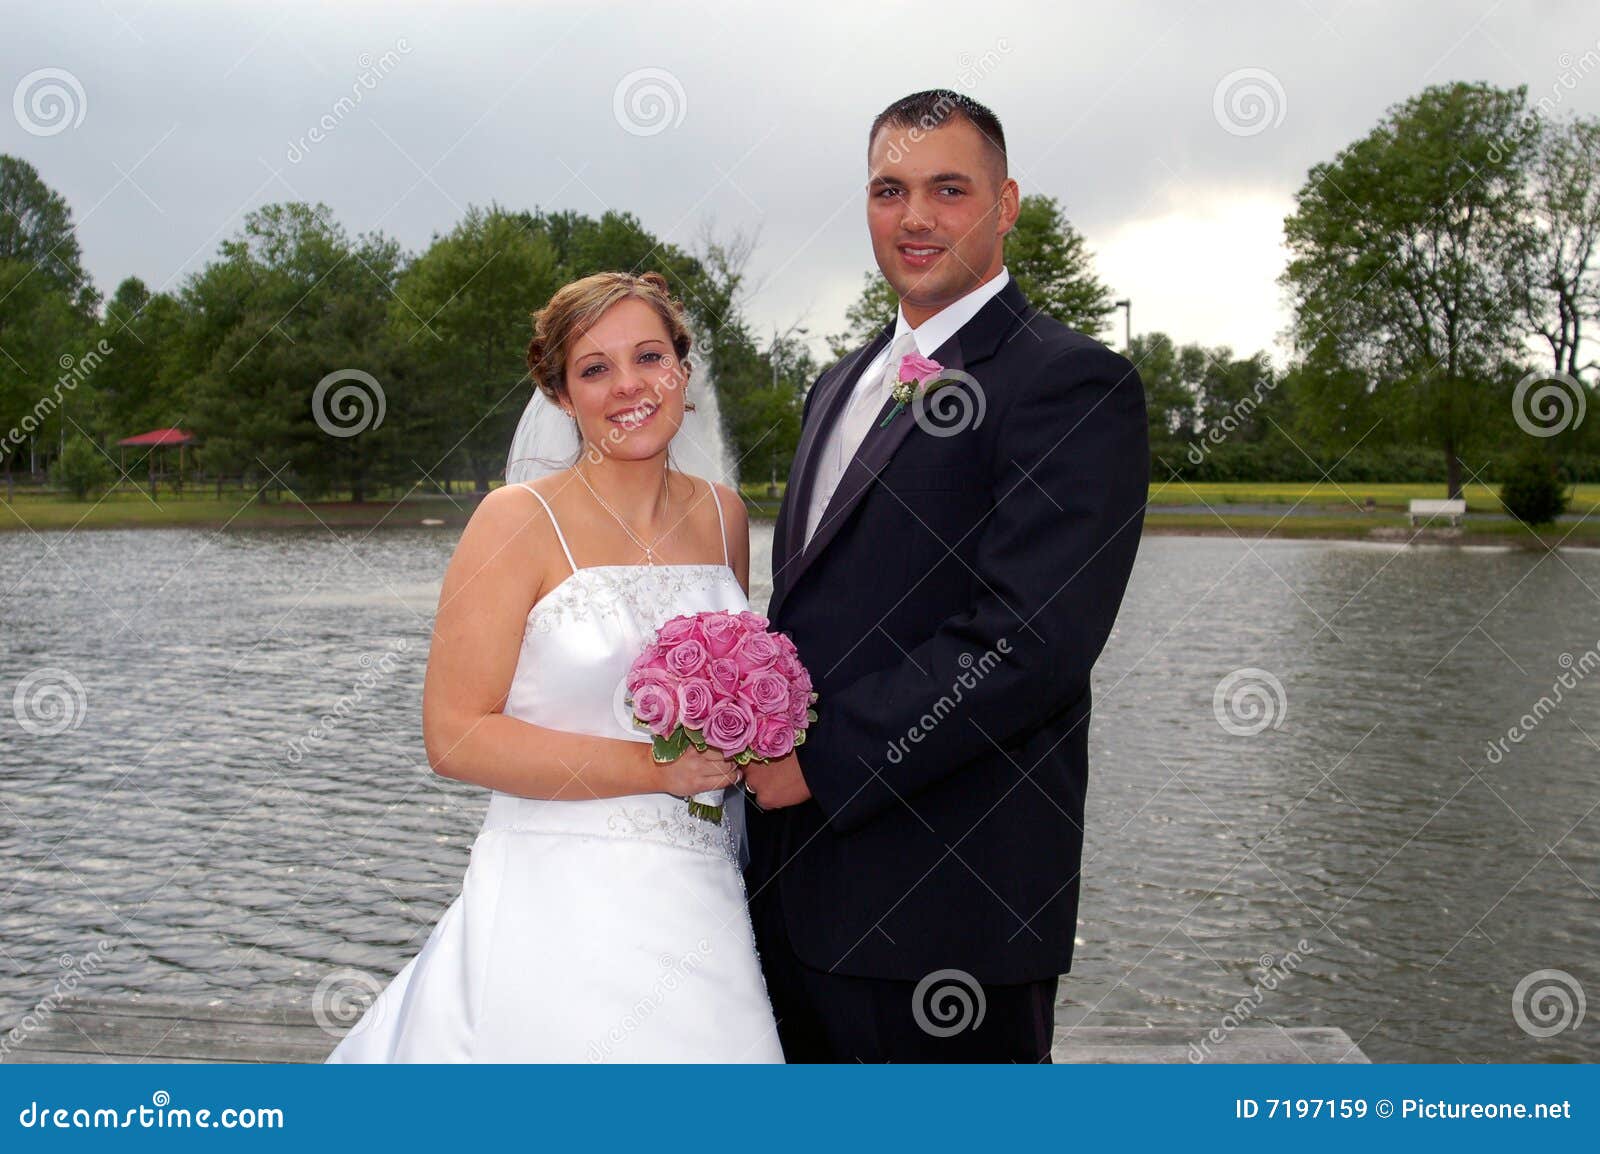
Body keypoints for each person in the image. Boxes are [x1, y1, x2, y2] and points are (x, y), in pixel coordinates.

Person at [740, 90, 1149, 1062]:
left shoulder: (1069, 381)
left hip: (947, 917)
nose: (914, 217)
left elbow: (1029, 639)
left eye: (947, 188)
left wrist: (819, 757)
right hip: (792, 897)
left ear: (1005, 204)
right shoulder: (836, 383)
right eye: (889, 189)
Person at [326, 271, 783, 1062]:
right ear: (563, 397)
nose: (628, 386)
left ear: (682, 370)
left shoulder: (723, 516)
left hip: (696, 882)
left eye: (649, 357)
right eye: (594, 368)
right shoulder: (514, 522)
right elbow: (456, 737)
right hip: (556, 886)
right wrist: (654, 768)